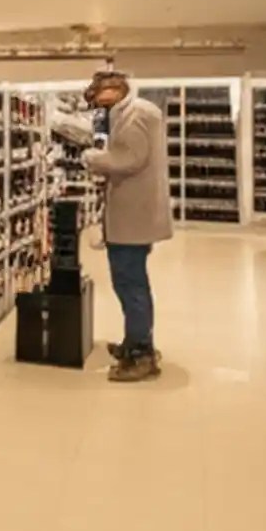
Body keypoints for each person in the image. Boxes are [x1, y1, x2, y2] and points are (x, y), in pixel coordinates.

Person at [80, 71, 173, 382]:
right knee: (132, 281)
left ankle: (142, 354)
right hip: (135, 212)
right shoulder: (135, 111)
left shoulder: (135, 116)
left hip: (133, 214)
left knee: (130, 284)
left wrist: (94, 157)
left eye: (97, 95)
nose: (95, 102)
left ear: (113, 90)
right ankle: (135, 341)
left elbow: (130, 158)